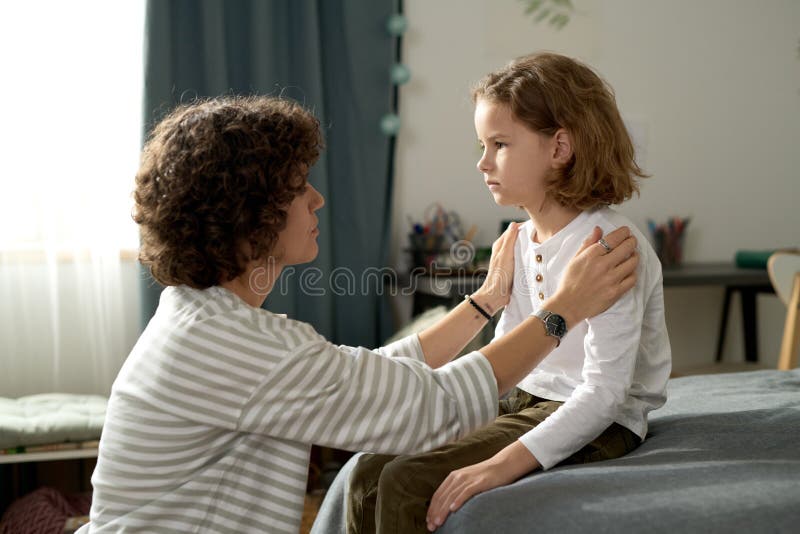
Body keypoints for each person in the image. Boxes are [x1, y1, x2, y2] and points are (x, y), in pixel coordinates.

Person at [78, 95, 638, 533]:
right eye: (299, 188)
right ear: (251, 215)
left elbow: (364, 376)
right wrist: (565, 309)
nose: (318, 200)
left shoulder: (200, 317)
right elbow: (427, 408)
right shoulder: (225, 344)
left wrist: (485, 303)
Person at [341, 52, 672, 534]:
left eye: (499, 144)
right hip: (524, 398)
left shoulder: (609, 248)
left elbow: (604, 393)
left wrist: (499, 465)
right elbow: (512, 353)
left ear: (560, 148)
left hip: (599, 417)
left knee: (408, 482)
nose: (482, 162)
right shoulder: (517, 240)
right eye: (482, 144)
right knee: (369, 470)